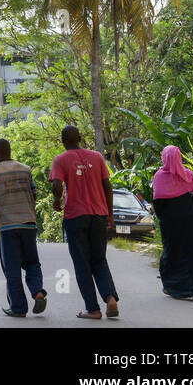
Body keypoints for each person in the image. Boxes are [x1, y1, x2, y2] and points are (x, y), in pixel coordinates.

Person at [50, 126, 119, 320]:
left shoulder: (60, 160)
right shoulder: (97, 157)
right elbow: (108, 186)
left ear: (62, 140)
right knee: (99, 259)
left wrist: (57, 200)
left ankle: (93, 309)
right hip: (98, 215)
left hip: (75, 217)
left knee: (82, 263)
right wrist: (110, 215)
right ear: (80, 138)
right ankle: (110, 298)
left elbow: (57, 184)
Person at [0, 139, 46, 317]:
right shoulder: (26, 170)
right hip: (29, 223)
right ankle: (38, 291)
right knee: (32, 262)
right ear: (10, 151)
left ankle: (18, 308)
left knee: (12, 268)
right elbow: (34, 194)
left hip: (8, 226)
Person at [151, 145, 193, 302]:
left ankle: (171, 287)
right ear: (179, 157)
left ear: (164, 157)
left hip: (170, 223)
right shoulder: (188, 175)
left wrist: (163, 219)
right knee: (192, 254)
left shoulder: (159, 177)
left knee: (171, 253)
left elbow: (158, 203)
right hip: (190, 221)